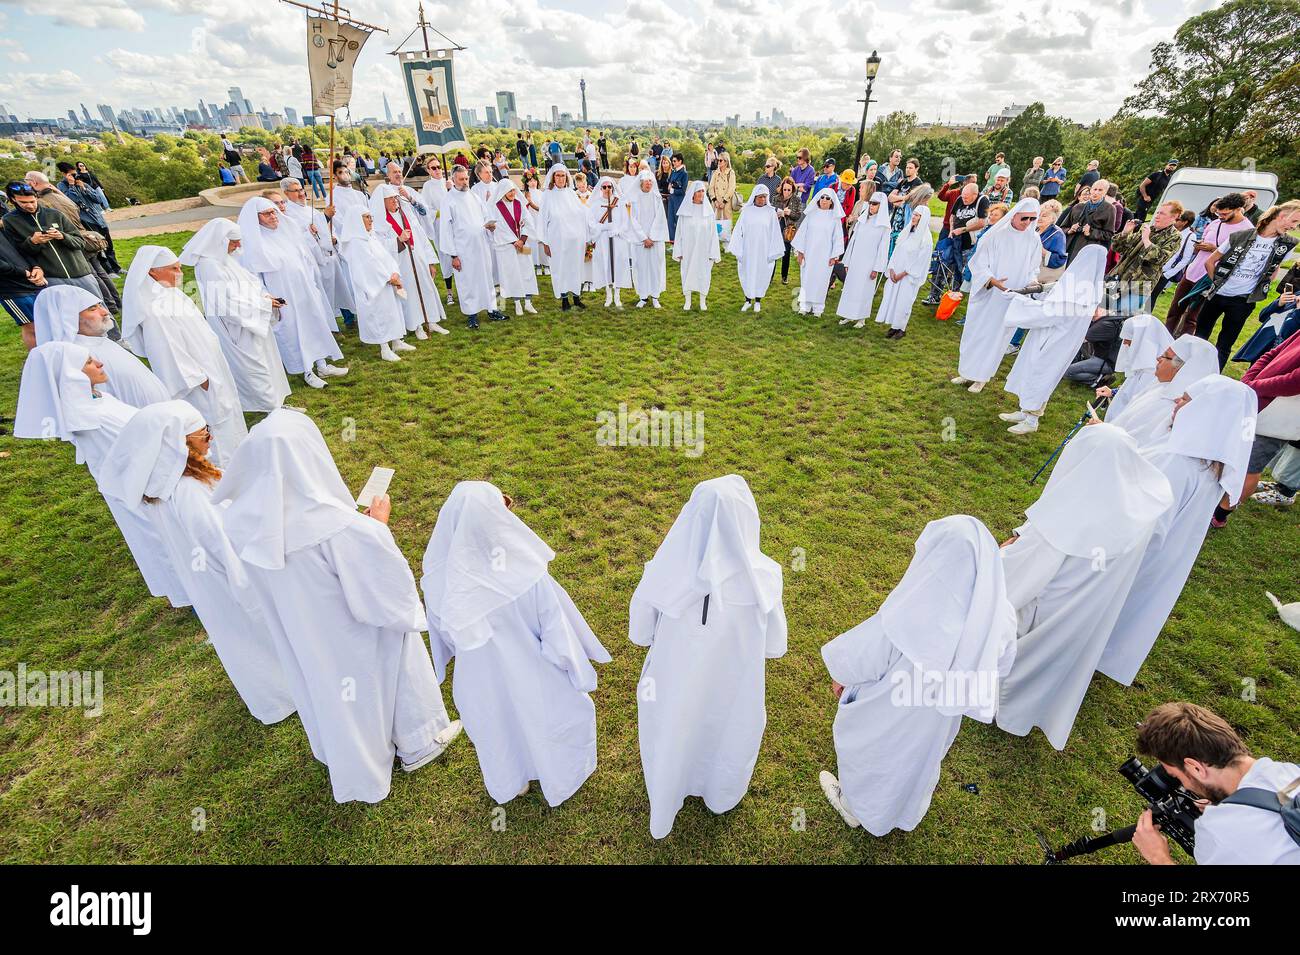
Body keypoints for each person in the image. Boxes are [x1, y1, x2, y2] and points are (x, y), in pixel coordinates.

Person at [213, 409, 463, 803]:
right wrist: (377, 525)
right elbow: (380, 591)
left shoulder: (245, 520)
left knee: (330, 688)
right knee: (397, 652)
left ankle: (352, 759)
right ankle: (419, 740)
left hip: (304, 632)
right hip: (354, 627)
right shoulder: (335, 526)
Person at [97, 401, 295, 724]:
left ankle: (272, 695)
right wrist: (254, 589)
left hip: (210, 586)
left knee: (240, 639)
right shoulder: (189, 493)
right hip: (230, 581)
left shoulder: (161, 489)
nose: (210, 438)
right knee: (258, 635)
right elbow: (221, 546)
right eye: (203, 433)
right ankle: (286, 692)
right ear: (180, 444)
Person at [818, 515, 1017, 835]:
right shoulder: (1000, 616)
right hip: (938, 718)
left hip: (889, 707)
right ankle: (904, 812)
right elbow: (1001, 666)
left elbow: (867, 657)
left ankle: (855, 806)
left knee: (875, 753)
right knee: (918, 763)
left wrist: (843, 676)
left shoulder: (911, 613)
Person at [421, 481, 609, 807]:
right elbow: (556, 632)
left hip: (478, 682)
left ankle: (513, 781)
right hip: (535, 671)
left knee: (498, 730)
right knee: (546, 719)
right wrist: (579, 673)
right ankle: (560, 776)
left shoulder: (439, 581)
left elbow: (445, 635)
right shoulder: (527, 575)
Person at [995, 424, 1174, 750]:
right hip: (1085, 616)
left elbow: (1016, 580)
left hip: (1045, 612)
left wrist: (997, 558)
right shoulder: (1138, 508)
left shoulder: (1071, 514)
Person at [630, 475, 786, 839]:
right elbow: (775, 644)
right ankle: (721, 792)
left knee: (674, 729)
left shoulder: (664, 571)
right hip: (734, 683)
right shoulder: (764, 580)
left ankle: (673, 788)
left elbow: (640, 632)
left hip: (673, 682)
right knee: (727, 729)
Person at [1098, 376, 1257, 687]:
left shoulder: (1178, 461)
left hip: (1135, 551)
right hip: (1165, 552)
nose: (1176, 402)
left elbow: (1139, 511)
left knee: (1114, 599)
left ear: (1207, 413)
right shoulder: (1211, 463)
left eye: (1185, 400)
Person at [14, 342, 188, 606]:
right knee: (165, 542)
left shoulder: (98, 399)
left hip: (153, 483)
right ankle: (192, 596)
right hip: (146, 492)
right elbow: (138, 450)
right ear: (71, 375)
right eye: (88, 362)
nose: (99, 363)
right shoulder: (92, 419)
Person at [119, 246, 247, 467]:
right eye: (173, 268)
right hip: (197, 380)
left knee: (226, 415)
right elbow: (167, 350)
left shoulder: (171, 292)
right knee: (211, 422)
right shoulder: (153, 309)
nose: (181, 273)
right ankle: (222, 467)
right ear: (152, 272)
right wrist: (200, 379)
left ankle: (238, 457)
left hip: (209, 365)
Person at [1130, 702, 1300, 865]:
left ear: (1196, 768)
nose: (1185, 786)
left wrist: (1159, 858)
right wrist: (1231, 805)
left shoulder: (1216, 832)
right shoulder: (1292, 773)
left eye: (1176, 775)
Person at [178, 219, 290, 412]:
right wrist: (263, 304)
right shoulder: (209, 266)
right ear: (220, 241)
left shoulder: (225, 259)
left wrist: (265, 296)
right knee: (255, 367)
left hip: (252, 318)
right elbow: (225, 303)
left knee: (266, 361)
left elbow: (248, 284)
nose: (238, 246)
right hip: (236, 325)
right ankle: (270, 408)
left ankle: (276, 404)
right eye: (234, 242)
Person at [236, 197, 348, 389]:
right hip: (283, 296)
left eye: (274, 211)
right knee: (294, 332)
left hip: (304, 290)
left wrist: (312, 284)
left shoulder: (287, 232)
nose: (273, 216)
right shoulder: (253, 244)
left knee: (314, 325)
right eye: (267, 213)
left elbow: (304, 260)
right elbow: (253, 276)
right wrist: (266, 296)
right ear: (256, 218)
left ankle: (322, 364)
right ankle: (307, 371)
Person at [999, 244, 1107, 434]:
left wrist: (1019, 301)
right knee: (1032, 372)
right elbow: (1051, 302)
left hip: (1054, 341)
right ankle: (1025, 411)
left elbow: (1049, 313)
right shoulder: (1085, 287)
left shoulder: (1078, 291)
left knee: (1040, 376)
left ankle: (1032, 420)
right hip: (1051, 337)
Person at [1195, 201, 1300, 369]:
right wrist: (1218, 282)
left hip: (1243, 301)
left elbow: (1273, 274)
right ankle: (1188, 370)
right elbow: (1210, 261)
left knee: (1224, 345)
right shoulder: (1241, 236)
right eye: (1294, 221)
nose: (1294, 227)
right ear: (1281, 216)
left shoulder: (1287, 244)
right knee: (1199, 337)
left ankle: (1211, 379)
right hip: (1217, 295)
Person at [952, 198, 1042, 393]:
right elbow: (978, 263)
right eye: (1024, 218)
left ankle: (981, 377)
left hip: (1011, 297)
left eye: (1032, 219)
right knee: (976, 333)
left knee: (997, 338)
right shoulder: (995, 235)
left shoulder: (1033, 239)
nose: (1027, 223)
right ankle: (967, 371)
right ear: (1015, 214)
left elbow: (1033, 267)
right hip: (988, 294)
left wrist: (1032, 281)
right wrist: (992, 281)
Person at [1103, 335, 1220, 450]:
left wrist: (1104, 433)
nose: (1158, 358)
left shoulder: (1175, 407)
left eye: (1166, 356)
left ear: (1181, 368)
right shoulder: (1161, 385)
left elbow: (1140, 443)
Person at [1163, 192, 1251, 336]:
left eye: (1224, 213)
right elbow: (1202, 240)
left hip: (1209, 278)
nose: (1220, 216)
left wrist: (1213, 249)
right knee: (1174, 311)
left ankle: (1180, 350)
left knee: (1192, 318)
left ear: (1237, 209)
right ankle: (1163, 339)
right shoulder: (1215, 223)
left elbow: (1239, 258)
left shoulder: (1247, 230)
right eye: (1218, 214)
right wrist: (1199, 246)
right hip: (1191, 272)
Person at [335, 205, 414, 362]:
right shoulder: (355, 242)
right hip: (373, 286)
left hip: (387, 281)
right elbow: (367, 265)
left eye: (371, 216)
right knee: (379, 315)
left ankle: (397, 341)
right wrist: (387, 277)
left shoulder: (370, 236)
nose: (371, 220)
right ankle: (384, 348)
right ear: (357, 220)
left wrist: (394, 271)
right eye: (366, 217)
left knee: (392, 311)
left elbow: (385, 255)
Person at [369, 183, 449, 337]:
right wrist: (398, 240)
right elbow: (379, 246)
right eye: (390, 199)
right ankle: (417, 325)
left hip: (418, 257)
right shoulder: (380, 222)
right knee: (410, 292)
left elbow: (421, 236)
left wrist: (430, 261)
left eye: (395, 198)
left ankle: (431, 320)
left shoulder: (405, 214)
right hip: (401, 262)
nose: (395, 201)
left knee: (426, 287)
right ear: (382, 202)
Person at [3, 180, 99, 300]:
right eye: (23, 202)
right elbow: (19, 253)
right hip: (52, 279)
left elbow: (80, 242)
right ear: (13, 200)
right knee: (67, 315)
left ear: (36, 197)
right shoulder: (9, 221)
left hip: (81, 273)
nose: (30, 206)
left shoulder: (55, 214)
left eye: (32, 201)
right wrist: (33, 242)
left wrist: (63, 236)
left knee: (100, 310)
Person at [440, 165, 505, 329]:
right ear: (453, 180)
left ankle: (492, 309)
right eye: (461, 179)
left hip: (481, 246)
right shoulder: (448, 200)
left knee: (486, 279)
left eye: (466, 178)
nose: (464, 182)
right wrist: (453, 255)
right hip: (463, 250)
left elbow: (485, 216)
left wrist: (490, 227)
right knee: (468, 282)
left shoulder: (474, 196)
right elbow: (446, 230)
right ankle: (472, 315)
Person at [1108, 201, 1185, 313]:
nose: (1157, 216)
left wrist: (1146, 240)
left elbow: (1161, 258)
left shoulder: (1175, 236)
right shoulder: (1149, 229)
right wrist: (1125, 233)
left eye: (1162, 213)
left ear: (1174, 217)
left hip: (1139, 286)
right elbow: (1118, 248)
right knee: (1102, 312)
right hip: (1119, 277)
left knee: (1122, 319)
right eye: (1158, 212)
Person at [536, 164, 589, 312]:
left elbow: (581, 216)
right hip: (557, 241)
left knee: (575, 268)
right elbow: (542, 220)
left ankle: (577, 297)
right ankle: (565, 298)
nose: (560, 178)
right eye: (557, 175)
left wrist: (585, 238)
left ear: (567, 177)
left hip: (575, 241)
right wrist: (545, 242)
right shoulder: (547, 195)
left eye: (563, 175)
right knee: (561, 268)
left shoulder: (572, 194)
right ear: (553, 177)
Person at [925, 181, 988, 306]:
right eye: (963, 195)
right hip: (953, 240)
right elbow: (952, 216)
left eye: (966, 197)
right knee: (942, 265)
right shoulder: (960, 198)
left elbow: (982, 222)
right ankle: (934, 296)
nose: (963, 199)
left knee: (960, 273)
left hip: (968, 245)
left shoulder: (982, 201)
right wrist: (952, 230)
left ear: (975, 195)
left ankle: (952, 300)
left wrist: (963, 230)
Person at [1101, 314, 1174, 420]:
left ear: (1142, 339)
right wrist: (1113, 392)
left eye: (1129, 338)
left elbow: (1137, 401)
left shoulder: (1155, 372)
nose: (1125, 342)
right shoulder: (1144, 362)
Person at [875, 206, 933, 340]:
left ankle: (901, 328)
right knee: (893, 299)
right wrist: (892, 269)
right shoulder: (907, 232)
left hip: (908, 277)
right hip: (896, 272)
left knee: (904, 302)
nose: (914, 217)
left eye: (918, 216)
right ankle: (893, 326)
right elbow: (897, 250)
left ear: (923, 218)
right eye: (914, 214)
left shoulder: (925, 239)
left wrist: (904, 273)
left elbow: (921, 261)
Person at [727, 184, 786, 313]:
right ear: (754, 197)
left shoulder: (770, 212)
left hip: (763, 250)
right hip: (748, 248)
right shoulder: (747, 211)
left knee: (761, 273)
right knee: (748, 272)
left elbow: (775, 232)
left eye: (765, 197)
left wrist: (773, 251)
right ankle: (748, 300)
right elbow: (738, 231)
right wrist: (738, 248)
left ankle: (758, 300)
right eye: (760, 197)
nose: (763, 200)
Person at [835, 192, 890, 328]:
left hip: (869, 264)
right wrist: (846, 261)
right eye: (871, 203)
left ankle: (861, 318)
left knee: (863, 290)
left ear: (881, 206)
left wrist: (876, 268)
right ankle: (848, 314)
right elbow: (852, 242)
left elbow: (883, 249)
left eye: (875, 204)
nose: (872, 206)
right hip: (855, 261)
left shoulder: (884, 226)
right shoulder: (862, 221)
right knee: (851, 288)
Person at [487, 178, 540, 317]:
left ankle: (528, 303)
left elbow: (529, 222)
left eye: (513, 190)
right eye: (508, 191)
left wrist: (522, 240)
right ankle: (517, 303)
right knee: (512, 274)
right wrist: (513, 241)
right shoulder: (496, 207)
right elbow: (498, 229)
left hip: (523, 244)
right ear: (502, 192)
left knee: (527, 271)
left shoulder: (519, 204)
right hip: (506, 247)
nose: (511, 193)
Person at [792, 188, 845, 318]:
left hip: (825, 256)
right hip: (809, 254)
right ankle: (804, 306)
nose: (824, 200)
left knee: (821, 281)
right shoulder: (811, 215)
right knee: (806, 279)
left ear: (832, 201)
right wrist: (800, 252)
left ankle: (818, 309)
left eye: (827, 198)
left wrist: (834, 256)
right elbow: (802, 234)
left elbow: (837, 238)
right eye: (822, 197)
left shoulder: (834, 218)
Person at [56, 168, 118, 274]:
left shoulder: (82, 183)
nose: (75, 177)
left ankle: (116, 268)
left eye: (76, 174)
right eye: (72, 175)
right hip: (85, 219)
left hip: (98, 218)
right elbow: (70, 201)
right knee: (98, 245)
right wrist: (71, 186)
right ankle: (109, 271)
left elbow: (98, 199)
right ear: (65, 174)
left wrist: (84, 187)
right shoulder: (61, 186)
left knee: (108, 244)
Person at [672, 181, 720, 311]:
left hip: (704, 251)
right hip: (688, 250)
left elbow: (713, 234)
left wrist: (713, 252)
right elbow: (679, 233)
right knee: (687, 273)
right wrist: (679, 251)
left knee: (703, 274)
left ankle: (702, 300)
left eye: (703, 191)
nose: (701, 194)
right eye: (698, 191)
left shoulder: (709, 213)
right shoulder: (685, 212)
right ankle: (687, 300)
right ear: (692, 194)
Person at [3, 221, 46, 349]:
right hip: (11, 290)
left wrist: (36, 267)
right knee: (32, 327)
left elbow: (22, 249)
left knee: (48, 321)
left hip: (33, 281)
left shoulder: (4, 229)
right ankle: (39, 360)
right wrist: (25, 273)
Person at [1060, 179, 1114, 261]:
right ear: (1091, 190)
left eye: (1100, 190)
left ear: (1105, 192)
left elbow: (1109, 234)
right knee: (1069, 273)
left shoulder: (1109, 209)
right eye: (1094, 189)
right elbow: (1063, 227)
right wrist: (1070, 230)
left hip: (1091, 250)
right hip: (1073, 248)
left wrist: (1091, 232)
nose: (1096, 192)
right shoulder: (1078, 207)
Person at [771, 177, 802, 286]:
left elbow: (798, 215)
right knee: (774, 252)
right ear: (782, 188)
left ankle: (784, 276)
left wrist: (790, 213)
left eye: (789, 190)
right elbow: (771, 211)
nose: (786, 192)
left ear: (792, 189)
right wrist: (778, 213)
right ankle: (770, 275)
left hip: (789, 229)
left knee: (786, 253)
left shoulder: (796, 199)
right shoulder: (776, 198)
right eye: (785, 189)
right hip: (777, 227)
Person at [666, 155, 688, 242]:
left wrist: (672, 190)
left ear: (680, 161)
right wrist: (670, 187)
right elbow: (670, 182)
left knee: (678, 221)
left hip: (679, 200)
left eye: (675, 161)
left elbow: (683, 190)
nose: (673, 163)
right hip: (671, 199)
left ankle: (680, 241)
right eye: (673, 161)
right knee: (670, 220)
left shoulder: (684, 174)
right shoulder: (673, 172)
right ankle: (672, 241)